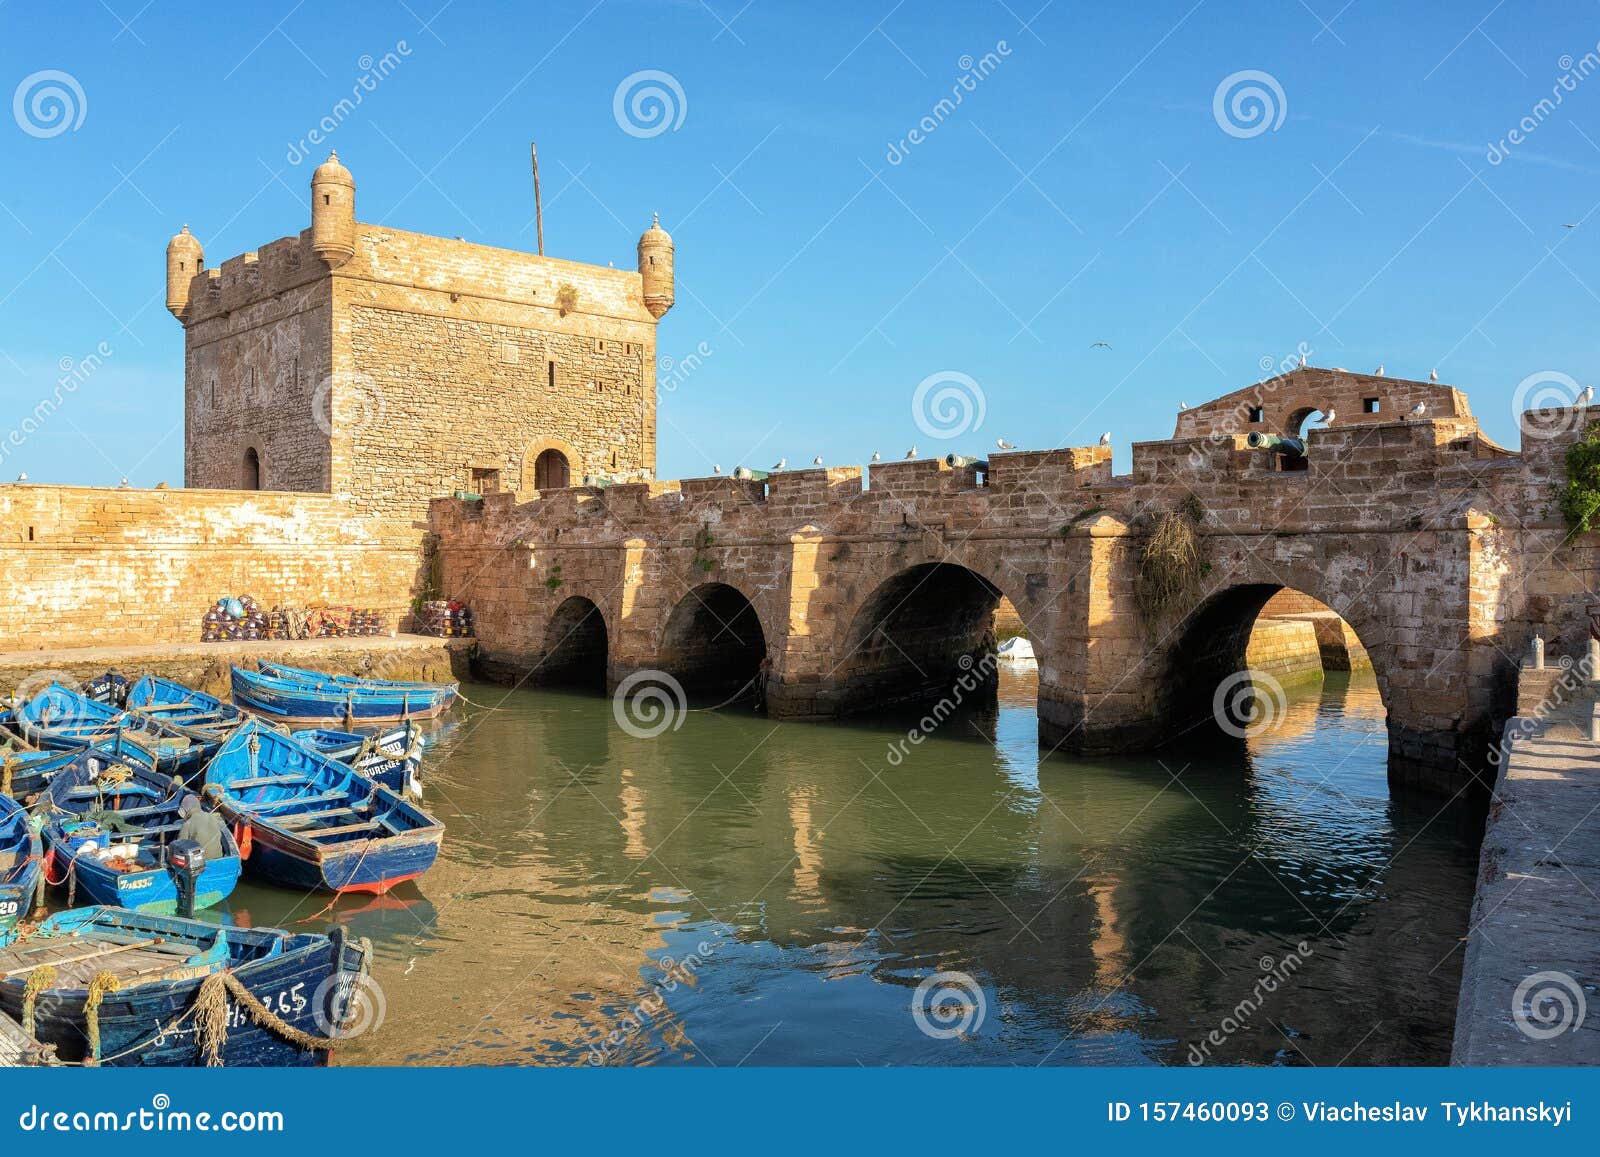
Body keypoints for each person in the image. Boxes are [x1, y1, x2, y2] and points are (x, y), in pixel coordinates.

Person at [177, 794, 228, 860]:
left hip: (200, 861)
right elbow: (220, 819)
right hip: (218, 857)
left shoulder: (187, 824)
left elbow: (180, 848)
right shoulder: (213, 817)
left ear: (185, 811)